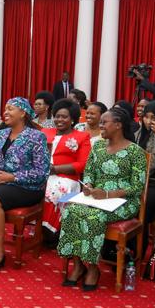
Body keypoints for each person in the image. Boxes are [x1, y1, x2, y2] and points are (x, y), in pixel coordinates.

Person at [57, 105, 148, 291]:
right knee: (70, 210)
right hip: (96, 197)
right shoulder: (97, 146)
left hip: (124, 201)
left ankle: (93, 268)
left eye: (104, 123)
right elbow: (89, 172)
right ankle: (78, 265)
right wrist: (88, 185)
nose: (101, 126)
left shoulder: (135, 152)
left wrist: (107, 194)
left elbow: (137, 187)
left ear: (118, 125)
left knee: (94, 217)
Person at [0, 97, 50, 270]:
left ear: (23, 113)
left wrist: (13, 177)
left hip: (26, 186)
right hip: (0, 182)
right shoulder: (1, 134)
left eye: (10, 109)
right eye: (5, 109)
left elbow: (42, 172)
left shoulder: (36, 136)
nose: (5, 112)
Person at [41, 99, 92, 239]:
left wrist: (55, 169)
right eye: (57, 116)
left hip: (67, 178)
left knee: (54, 189)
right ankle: (38, 226)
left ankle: (50, 230)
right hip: (42, 174)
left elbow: (83, 164)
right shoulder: (45, 132)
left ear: (73, 119)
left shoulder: (82, 136)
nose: (59, 120)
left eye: (64, 117)